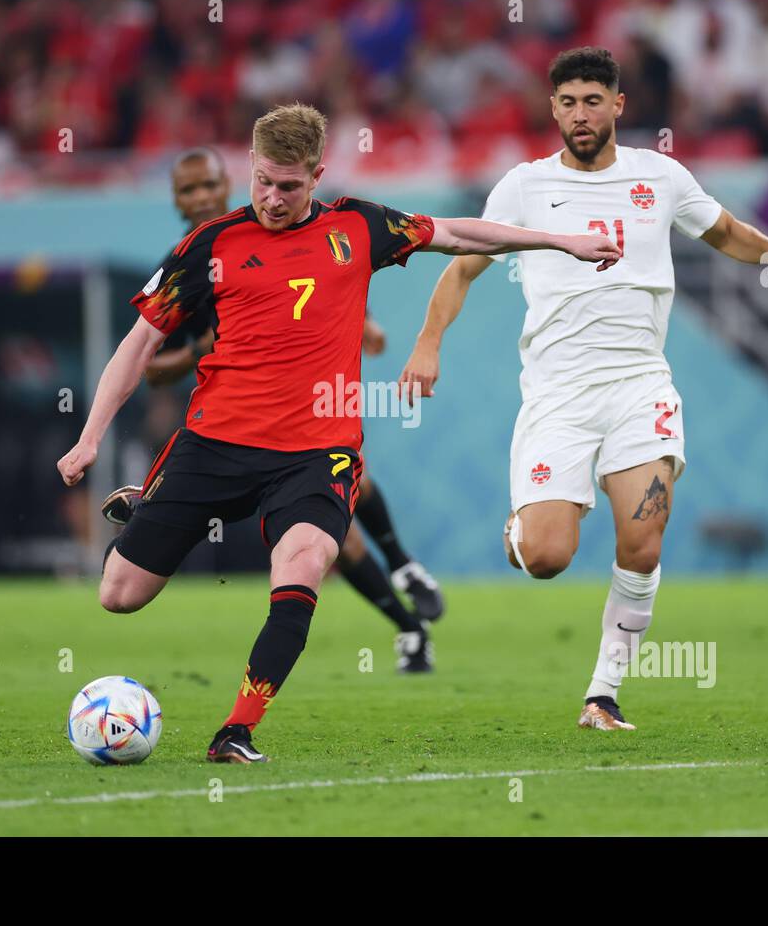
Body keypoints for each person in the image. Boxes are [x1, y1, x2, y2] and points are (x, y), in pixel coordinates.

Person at [57, 103, 620, 764]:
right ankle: (149, 508)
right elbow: (140, 343)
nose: (271, 197)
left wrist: (564, 243)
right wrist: (90, 437)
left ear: (316, 176)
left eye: (289, 186)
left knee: (304, 565)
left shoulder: (359, 226)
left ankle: (236, 730)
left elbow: (459, 235)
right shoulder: (210, 246)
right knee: (119, 596)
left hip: (313, 453)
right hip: (215, 442)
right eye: (262, 181)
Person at [400, 47, 768, 732]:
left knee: (644, 541)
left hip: (639, 384)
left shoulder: (660, 176)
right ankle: (524, 526)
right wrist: (427, 342)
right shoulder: (523, 187)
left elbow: (723, 233)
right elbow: (462, 269)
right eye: (567, 102)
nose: (580, 114)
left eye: (593, 101)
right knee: (546, 557)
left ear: (618, 106)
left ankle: (603, 694)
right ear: (553, 109)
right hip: (558, 396)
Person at [104, 146, 443, 674]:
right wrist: (203, 348)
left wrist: (368, 324)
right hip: (225, 418)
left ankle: (403, 574)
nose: (199, 198)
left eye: (207, 187)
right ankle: (407, 618)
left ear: (227, 184)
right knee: (329, 534)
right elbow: (153, 365)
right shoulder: (198, 254)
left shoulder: (302, 233)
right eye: (187, 191)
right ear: (176, 201)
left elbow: (330, 285)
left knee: (348, 494)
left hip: (309, 403)